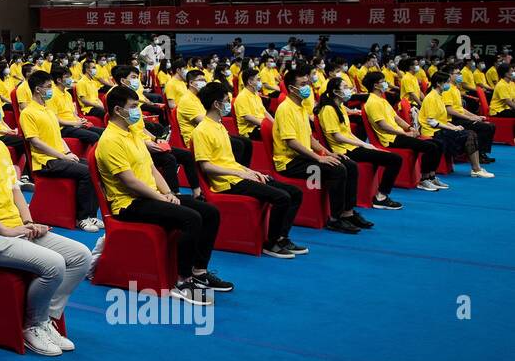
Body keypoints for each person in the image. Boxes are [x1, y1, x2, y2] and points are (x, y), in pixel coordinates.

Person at [0, 84, 95, 356]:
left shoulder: (0, 147)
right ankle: (32, 324)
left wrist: (28, 222)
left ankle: (47, 317)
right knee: (53, 264)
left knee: (81, 256)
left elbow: (14, 189)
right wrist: (5, 229)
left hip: (15, 228)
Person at [94, 85, 229, 301]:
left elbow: (152, 169)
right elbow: (130, 182)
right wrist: (162, 198)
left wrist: (168, 193)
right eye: (133, 107)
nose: (137, 111)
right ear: (118, 110)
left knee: (210, 212)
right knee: (191, 219)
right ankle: (182, 281)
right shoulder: (110, 140)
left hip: (150, 196)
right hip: (129, 204)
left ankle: (199, 271)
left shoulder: (132, 134)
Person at [193, 82, 306, 258]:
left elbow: (228, 160)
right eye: (226, 100)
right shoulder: (201, 131)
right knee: (282, 198)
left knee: (295, 192)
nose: (228, 104)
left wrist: (251, 171)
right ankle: (271, 243)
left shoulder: (220, 126)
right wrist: (239, 173)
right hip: (227, 183)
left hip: (238, 175)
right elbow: (206, 167)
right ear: (216, 104)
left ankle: (282, 237)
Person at [272, 66, 370, 234]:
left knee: (349, 164)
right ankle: (335, 218)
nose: (307, 87)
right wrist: (318, 158)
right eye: (303, 84)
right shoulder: (285, 108)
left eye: (307, 83)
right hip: (289, 162)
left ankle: (348, 212)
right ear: (291, 88)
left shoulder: (301, 107)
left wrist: (328, 153)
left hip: (302, 156)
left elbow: (310, 139)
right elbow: (291, 142)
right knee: (337, 170)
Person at [18, 70, 101, 231]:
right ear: (37, 89)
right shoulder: (28, 112)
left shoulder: (48, 110)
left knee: (94, 166)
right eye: (48, 86)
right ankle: (81, 218)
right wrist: (61, 156)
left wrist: (68, 152)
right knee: (86, 173)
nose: (51, 89)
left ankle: (91, 214)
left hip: (60, 156)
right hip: (45, 161)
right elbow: (35, 142)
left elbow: (58, 136)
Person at [323, 72, 404, 208]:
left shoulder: (340, 107)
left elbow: (348, 133)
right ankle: (381, 197)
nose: (350, 90)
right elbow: (338, 136)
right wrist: (363, 144)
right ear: (336, 92)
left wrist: (365, 144)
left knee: (392, 157)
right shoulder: (328, 109)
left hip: (352, 146)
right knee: (395, 159)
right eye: (345, 87)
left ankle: (380, 195)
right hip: (344, 151)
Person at [420, 73, 494, 178]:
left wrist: (453, 127)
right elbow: (432, 122)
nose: (448, 84)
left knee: (470, 133)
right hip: (432, 132)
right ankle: (476, 169)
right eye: (446, 82)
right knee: (469, 135)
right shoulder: (431, 98)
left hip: (440, 128)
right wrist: (452, 127)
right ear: (438, 83)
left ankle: (477, 168)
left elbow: (442, 119)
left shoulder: (439, 96)